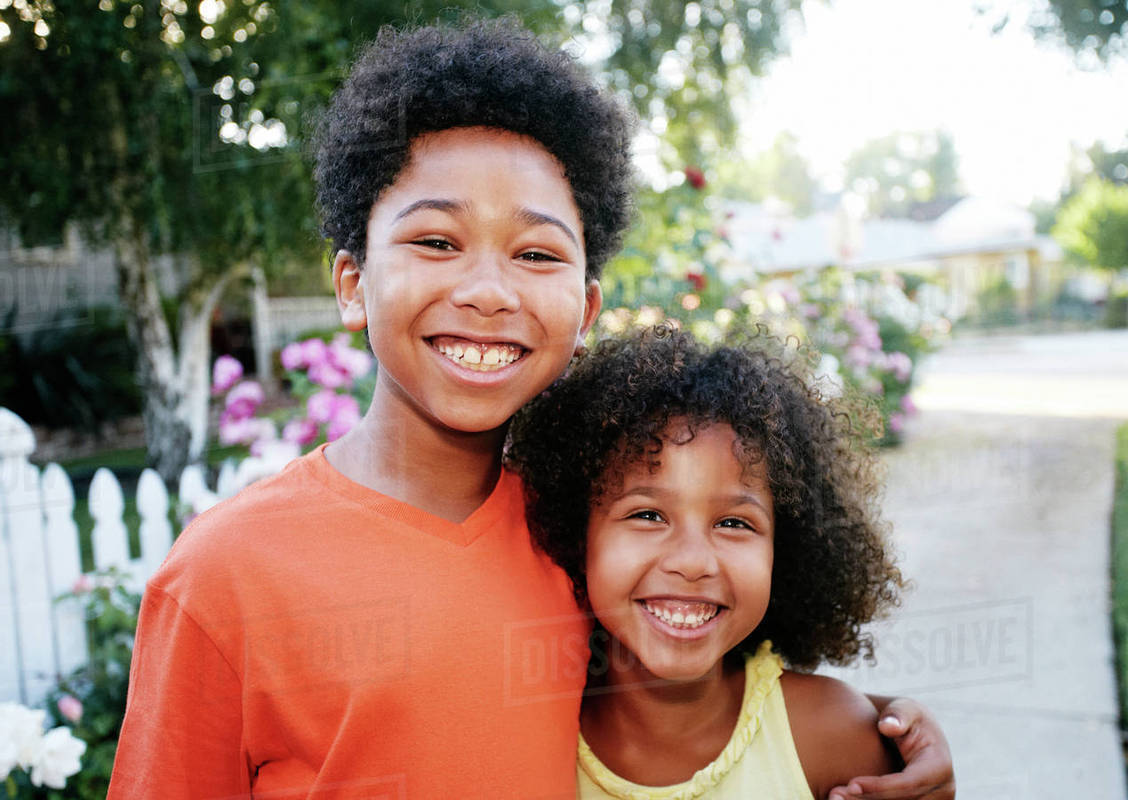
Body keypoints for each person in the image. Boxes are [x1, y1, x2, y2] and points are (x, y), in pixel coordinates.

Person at [109, 19, 953, 799]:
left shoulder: (585, 528)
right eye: (436, 241)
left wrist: (886, 725)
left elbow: (701, 686)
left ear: (586, 312)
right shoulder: (226, 578)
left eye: (536, 252)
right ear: (353, 283)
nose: (486, 291)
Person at [506, 326, 946, 799]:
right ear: (577, 534)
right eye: (648, 515)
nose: (693, 562)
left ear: (788, 547)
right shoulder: (527, 735)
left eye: (734, 523)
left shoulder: (830, 738)